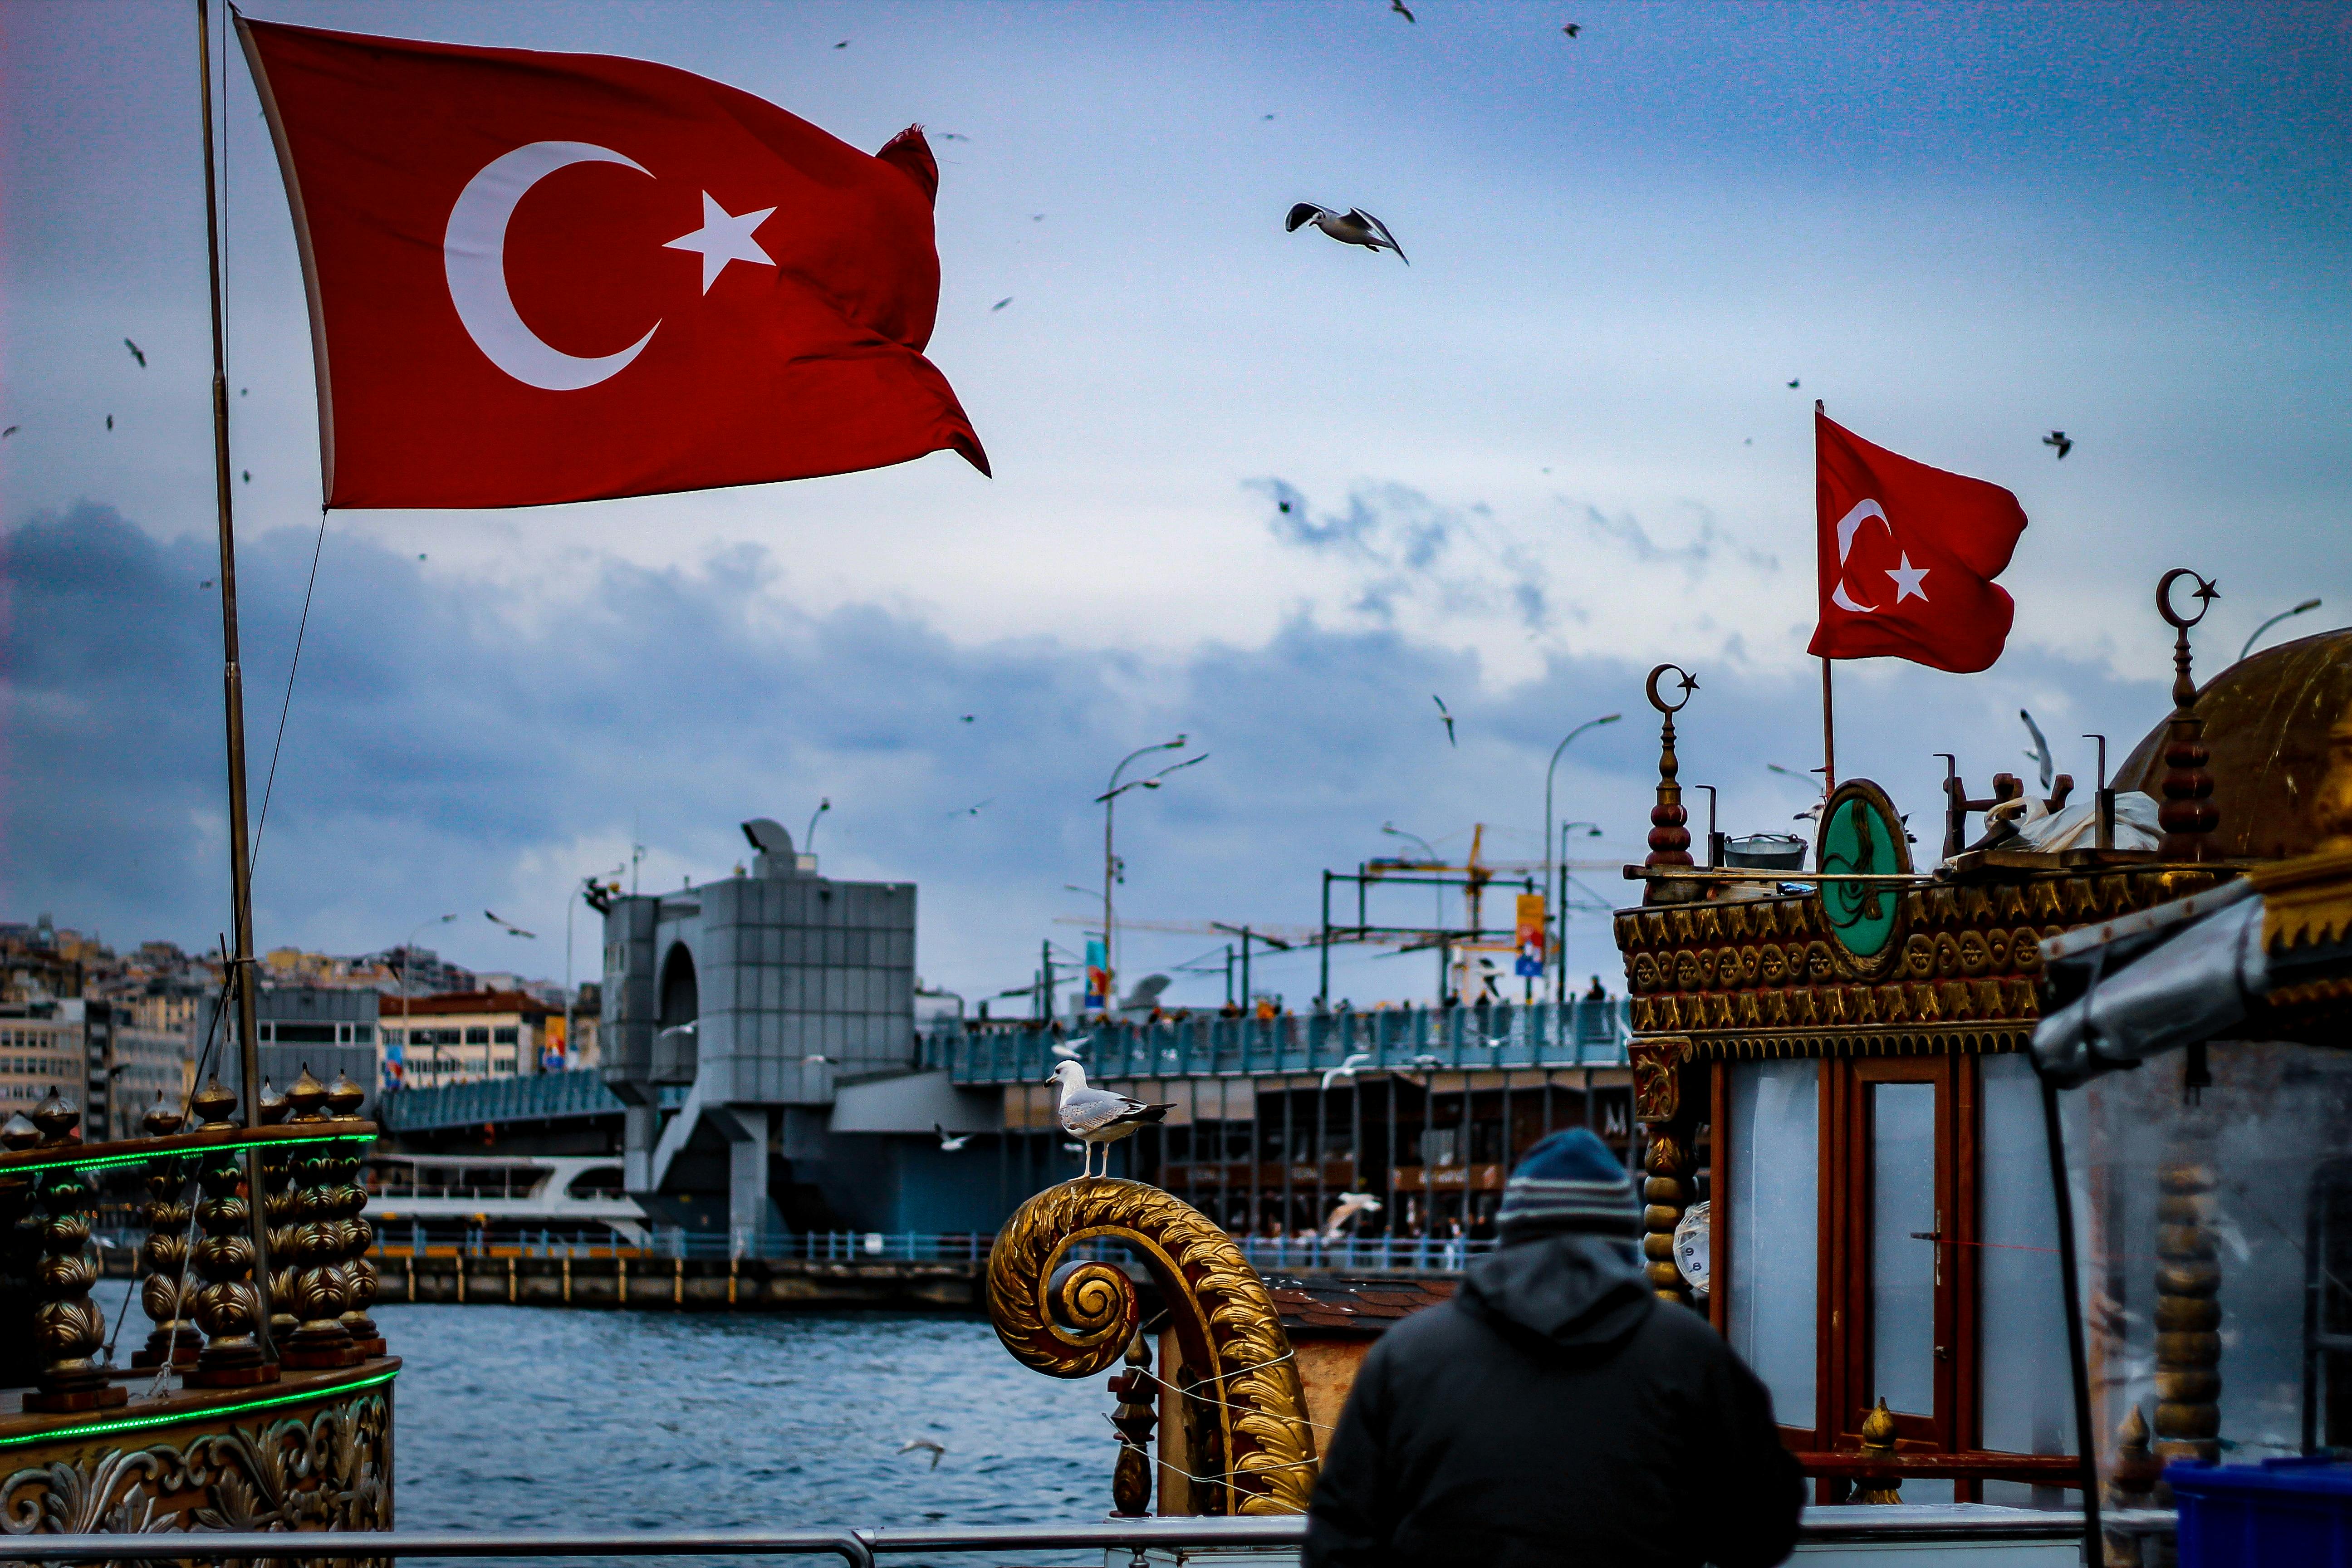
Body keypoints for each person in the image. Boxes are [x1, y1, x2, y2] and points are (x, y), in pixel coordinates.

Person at [1304, 1128, 1802, 1568]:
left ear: (1512, 1230)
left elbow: (1338, 1543)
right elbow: (1761, 1533)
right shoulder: (1689, 1354)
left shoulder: (1409, 1356)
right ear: (1620, 1233)